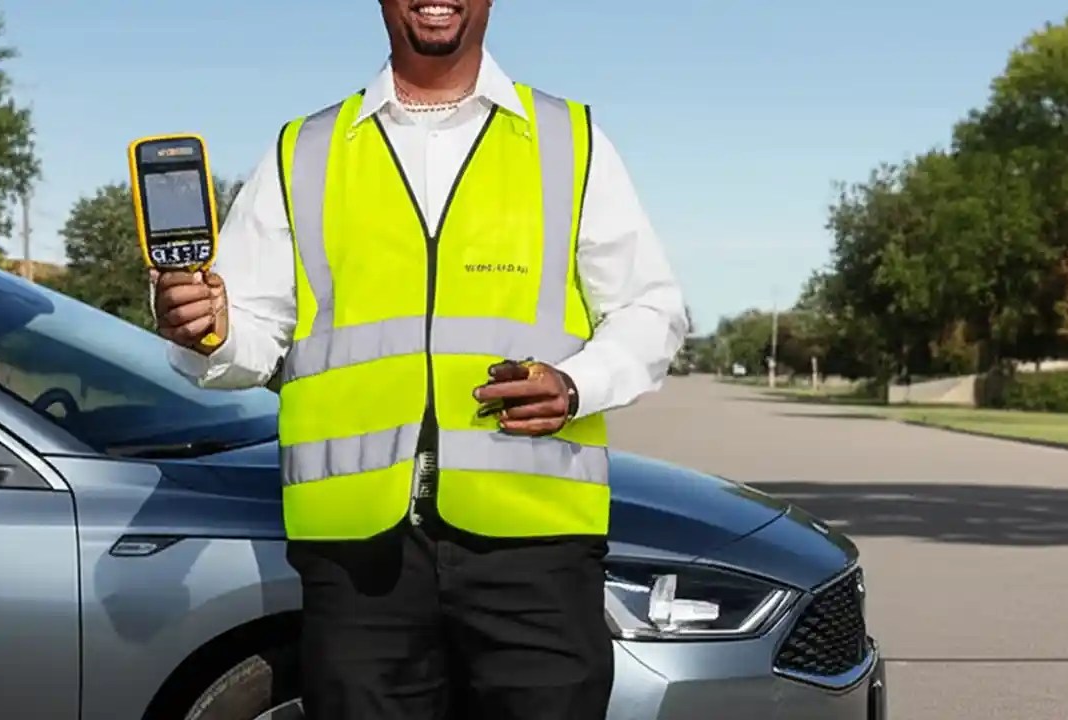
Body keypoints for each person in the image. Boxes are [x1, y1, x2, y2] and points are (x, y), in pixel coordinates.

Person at [151, 1, 688, 718]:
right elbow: (252, 335)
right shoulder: (304, 151)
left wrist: (576, 383)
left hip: (535, 544)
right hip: (357, 555)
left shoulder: (569, 139)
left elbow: (652, 311)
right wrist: (209, 331)